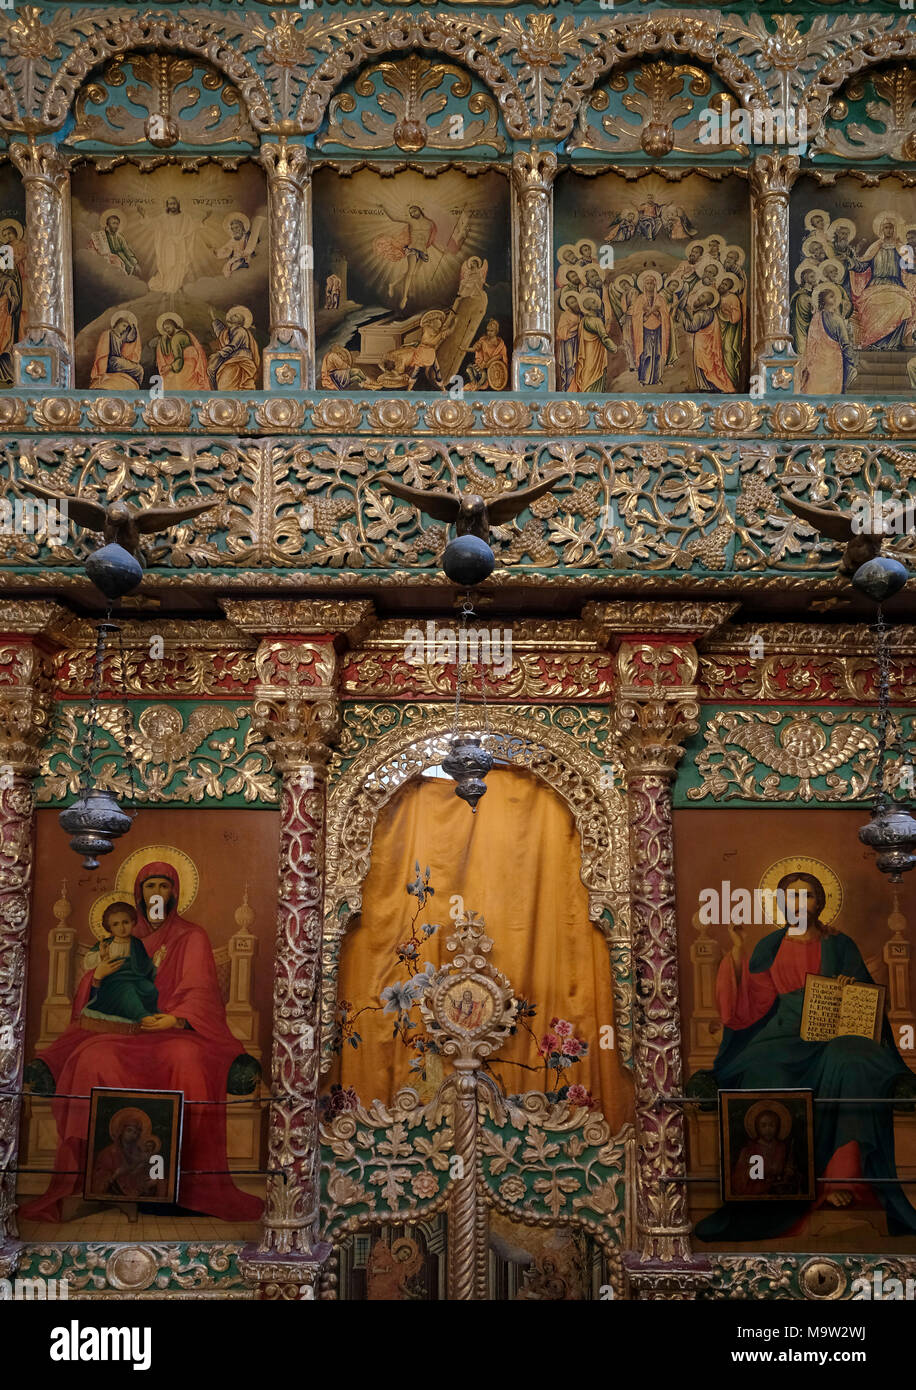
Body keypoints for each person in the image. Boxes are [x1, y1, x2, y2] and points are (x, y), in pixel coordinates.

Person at [21, 859, 263, 1223]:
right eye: (150, 886)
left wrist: (177, 1018)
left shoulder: (191, 936)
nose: (156, 894)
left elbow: (202, 994)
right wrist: (97, 976)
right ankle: (101, 1181)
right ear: (139, 893)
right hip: (126, 1032)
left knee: (185, 1058)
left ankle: (184, 1184)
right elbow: (96, 996)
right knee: (92, 1057)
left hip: (174, 1032)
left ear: (175, 893)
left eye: (163, 887)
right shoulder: (122, 941)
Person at [696, 870, 916, 1240]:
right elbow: (748, 1006)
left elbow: (873, 1001)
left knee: (852, 1062)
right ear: (781, 903)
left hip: (833, 1031)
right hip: (782, 1035)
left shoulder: (839, 945)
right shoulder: (768, 946)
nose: (800, 903)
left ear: (820, 902)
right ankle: (772, 1189)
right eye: (792, 897)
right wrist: (736, 953)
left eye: (808, 896)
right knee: (763, 1075)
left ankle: (842, 1182)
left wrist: (850, 987)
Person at [82, 901, 158, 1026]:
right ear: (109, 927)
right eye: (116, 924)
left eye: (125, 922)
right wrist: (101, 956)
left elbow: (144, 967)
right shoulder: (106, 944)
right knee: (128, 990)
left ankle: (146, 1012)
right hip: (113, 982)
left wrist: (155, 961)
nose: (121, 928)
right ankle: (142, 1016)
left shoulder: (137, 944)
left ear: (133, 923)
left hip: (135, 978)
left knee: (150, 989)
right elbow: (88, 963)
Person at [90, 1108, 167, 1201]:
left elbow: (146, 1171)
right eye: (129, 1131)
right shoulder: (108, 1153)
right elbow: (99, 1184)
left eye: (136, 1133)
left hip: (140, 1190)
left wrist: (152, 1180)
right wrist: (116, 1175)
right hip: (116, 1192)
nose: (133, 1135)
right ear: (121, 1131)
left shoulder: (140, 1151)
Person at [730, 1104, 799, 1197]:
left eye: (771, 1125)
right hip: (756, 1192)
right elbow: (739, 1181)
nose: (768, 1129)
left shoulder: (782, 1148)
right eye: (763, 1125)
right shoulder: (748, 1150)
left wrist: (788, 1172)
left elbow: (788, 1170)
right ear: (757, 1127)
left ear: (777, 1127)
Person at [797, 285, 856, 393]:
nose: (835, 299)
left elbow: (811, 341)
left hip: (821, 362)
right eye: (831, 296)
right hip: (831, 361)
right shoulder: (836, 319)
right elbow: (845, 343)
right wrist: (851, 361)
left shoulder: (816, 318)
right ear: (824, 300)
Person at [678, 288, 734, 392]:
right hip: (707, 344)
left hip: (702, 346)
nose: (699, 298)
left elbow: (691, 327)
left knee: (703, 367)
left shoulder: (701, 314)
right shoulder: (710, 312)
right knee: (709, 367)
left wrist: (682, 315)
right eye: (700, 296)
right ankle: (709, 386)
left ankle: (706, 387)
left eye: (703, 297)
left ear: (707, 302)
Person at [151, 313, 209, 390]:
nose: (167, 331)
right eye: (165, 330)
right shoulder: (184, 333)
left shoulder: (176, 339)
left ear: (173, 325)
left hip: (187, 365)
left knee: (171, 379)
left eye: (168, 328)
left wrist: (170, 366)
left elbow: (179, 360)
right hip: (191, 363)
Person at [208, 306, 260, 389]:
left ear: (241, 321)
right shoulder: (229, 331)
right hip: (231, 359)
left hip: (240, 361)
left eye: (237, 315)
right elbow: (221, 332)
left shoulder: (240, 330)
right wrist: (213, 318)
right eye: (234, 315)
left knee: (226, 380)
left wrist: (219, 354)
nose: (234, 316)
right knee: (212, 368)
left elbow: (233, 345)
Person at [89, 312, 144, 390]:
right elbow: (102, 353)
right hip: (113, 361)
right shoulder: (108, 333)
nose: (125, 329)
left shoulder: (120, 337)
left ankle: (134, 384)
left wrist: (133, 328)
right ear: (117, 324)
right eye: (124, 325)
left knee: (139, 369)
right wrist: (101, 371)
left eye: (126, 327)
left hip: (118, 361)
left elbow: (131, 339)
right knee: (138, 369)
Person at [573, 292, 615, 392]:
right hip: (593, 353)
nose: (596, 303)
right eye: (593, 302)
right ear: (588, 306)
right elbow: (604, 337)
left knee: (588, 372)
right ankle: (590, 392)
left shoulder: (584, 320)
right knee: (593, 373)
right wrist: (614, 348)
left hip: (591, 351)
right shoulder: (596, 321)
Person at [90, 211, 140, 278]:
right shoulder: (101, 236)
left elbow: (126, 251)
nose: (116, 226)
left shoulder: (120, 237)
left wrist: (135, 263)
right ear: (108, 224)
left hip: (122, 261)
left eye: (117, 224)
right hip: (106, 260)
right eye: (114, 223)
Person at [465, 318, 508, 389]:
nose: (489, 333)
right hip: (481, 365)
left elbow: (501, 356)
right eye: (488, 330)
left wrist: (487, 363)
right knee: (469, 369)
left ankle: (477, 386)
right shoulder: (483, 340)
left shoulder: (501, 345)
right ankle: (474, 384)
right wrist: (464, 349)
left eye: (492, 331)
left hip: (493, 371)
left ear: (496, 331)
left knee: (483, 376)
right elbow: (475, 349)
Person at [555, 290, 582, 391]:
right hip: (568, 344)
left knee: (579, 366)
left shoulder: (581, 314)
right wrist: (574, 327)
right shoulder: (565, 315)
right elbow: (561, 332)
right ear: (568, 306)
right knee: (570, 366)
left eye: (575, 301)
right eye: (571, 303)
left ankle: (577, 388)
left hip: (578, 342)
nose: (574, 304)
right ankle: (569, 388)